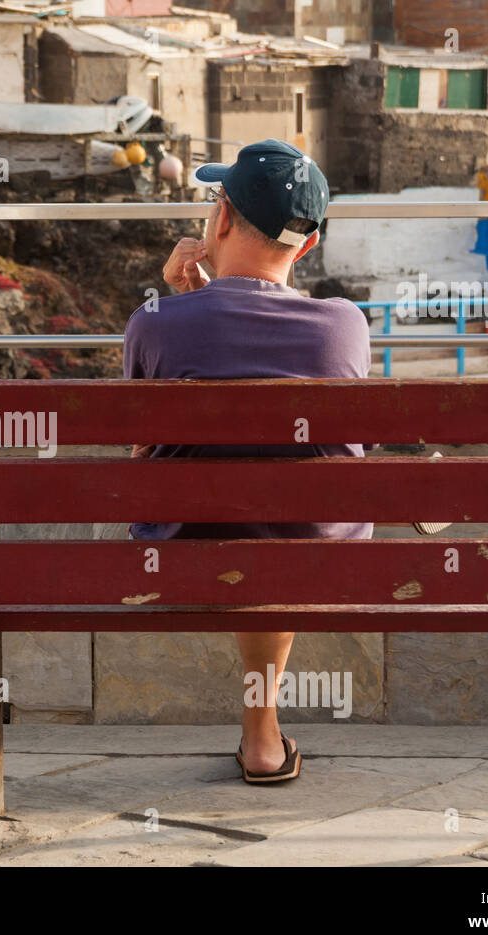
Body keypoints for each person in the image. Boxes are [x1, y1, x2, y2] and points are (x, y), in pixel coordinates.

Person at [122, 139, 371, 785]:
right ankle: (262, 735)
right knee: (284, 524)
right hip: (316, 554)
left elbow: (138, 451)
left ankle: (260, 734)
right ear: (307, 246)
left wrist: (179, 300)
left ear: (222, 219)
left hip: (179, 551)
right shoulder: (345, 325)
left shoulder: (153, 324)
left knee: (254, 524)